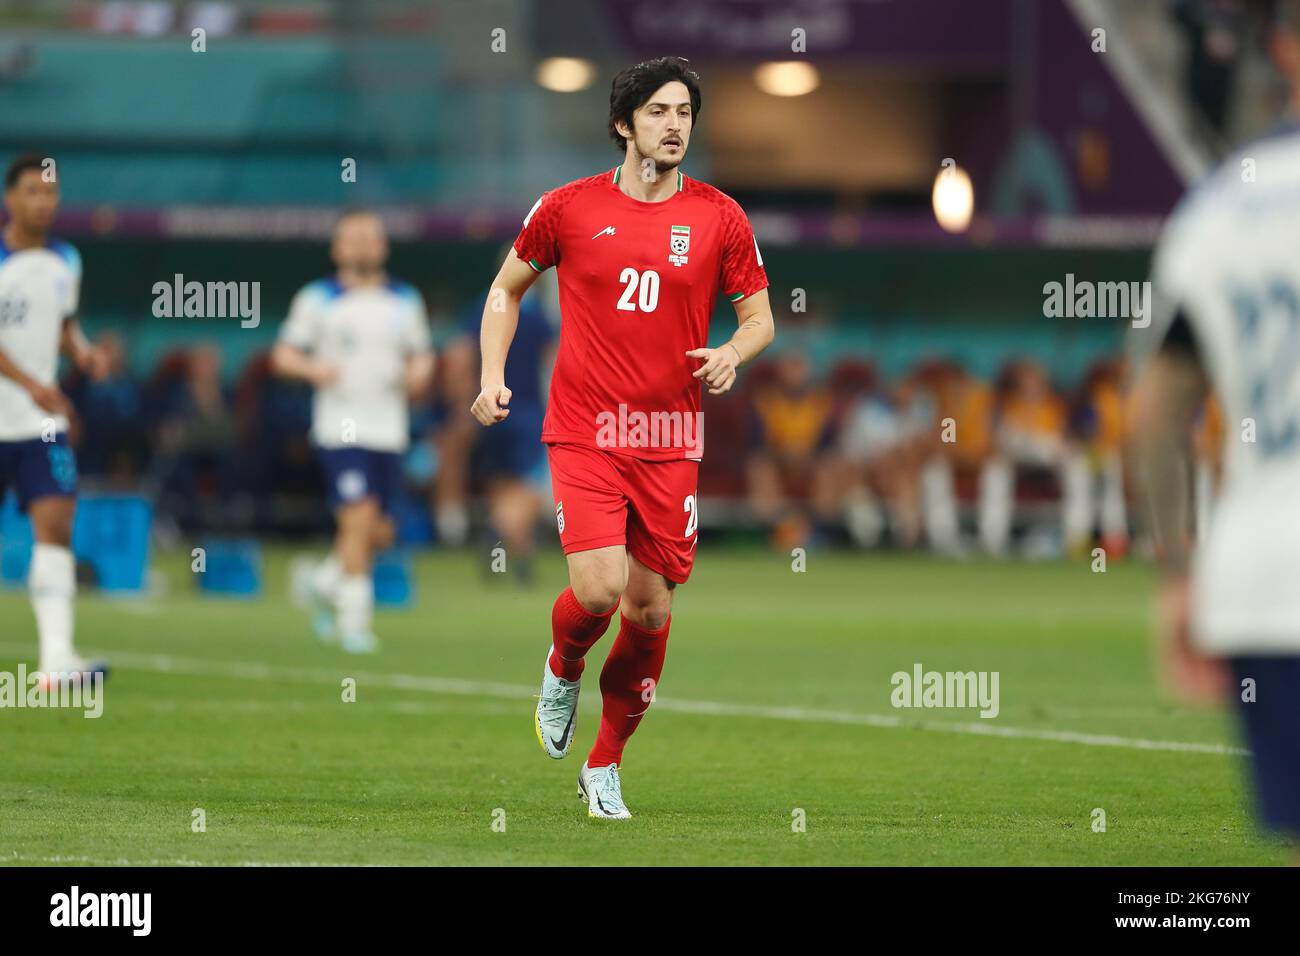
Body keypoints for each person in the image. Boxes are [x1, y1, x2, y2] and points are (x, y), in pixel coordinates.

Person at [471, 57, 775, 818]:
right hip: (586, 428)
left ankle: (604, 764)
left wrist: (733, 354)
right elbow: (506, 289)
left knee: (649, 612)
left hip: (670, 437)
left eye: (684, 113)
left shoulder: (719, 217)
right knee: (599, 589)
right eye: (659, 112)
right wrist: (490, 373)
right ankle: (563, 661)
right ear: (623, 124)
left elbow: (760, 318)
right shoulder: (567, 208)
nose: (675, 126)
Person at [1130, 0, 1300, 857]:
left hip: (1265, 584)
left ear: (1279, 50)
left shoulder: (1217, 211)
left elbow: (1156, 412)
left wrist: (1179, 578)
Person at [274, 210, 434, 653]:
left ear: (383, 246)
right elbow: (284, 355)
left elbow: (422, 355)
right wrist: (314, 368)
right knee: (358, 516)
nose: (363, 244)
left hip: (389, 429)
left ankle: (323, 582)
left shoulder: (404, 300)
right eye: (354, 237)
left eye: (370, 237)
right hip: (341, 427)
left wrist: (417, 375)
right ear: (337, 248)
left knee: (379, 532)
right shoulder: (318, 298)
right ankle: (354, 624)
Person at [0, 153, 109, 687]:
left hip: (40, 424)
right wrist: (34, 385)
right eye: (32, 192)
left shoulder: (68, 260)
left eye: (51, 192)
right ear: (10, 198)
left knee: (56, 522)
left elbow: (64, 325)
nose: (43, 202)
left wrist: (84, 355)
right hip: (16, 408)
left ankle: (57, 660)